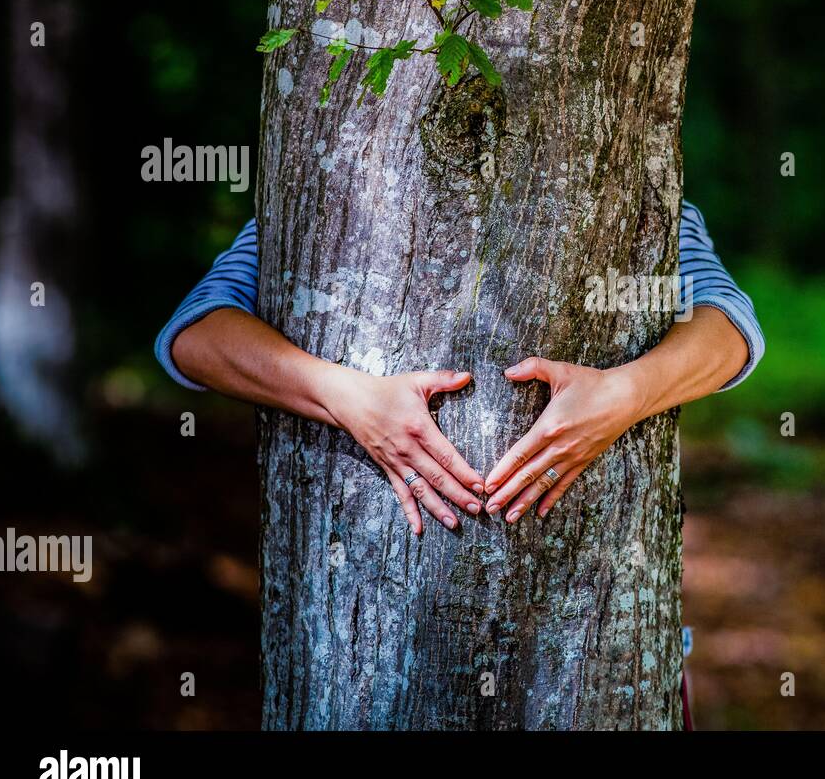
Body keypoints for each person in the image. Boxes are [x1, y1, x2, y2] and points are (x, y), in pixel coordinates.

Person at [156, 201, 764, 533]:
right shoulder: (322, 193)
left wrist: (627, 393)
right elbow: (195, 333)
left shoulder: (639, 198)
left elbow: (730, 326)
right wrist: (345, 397)